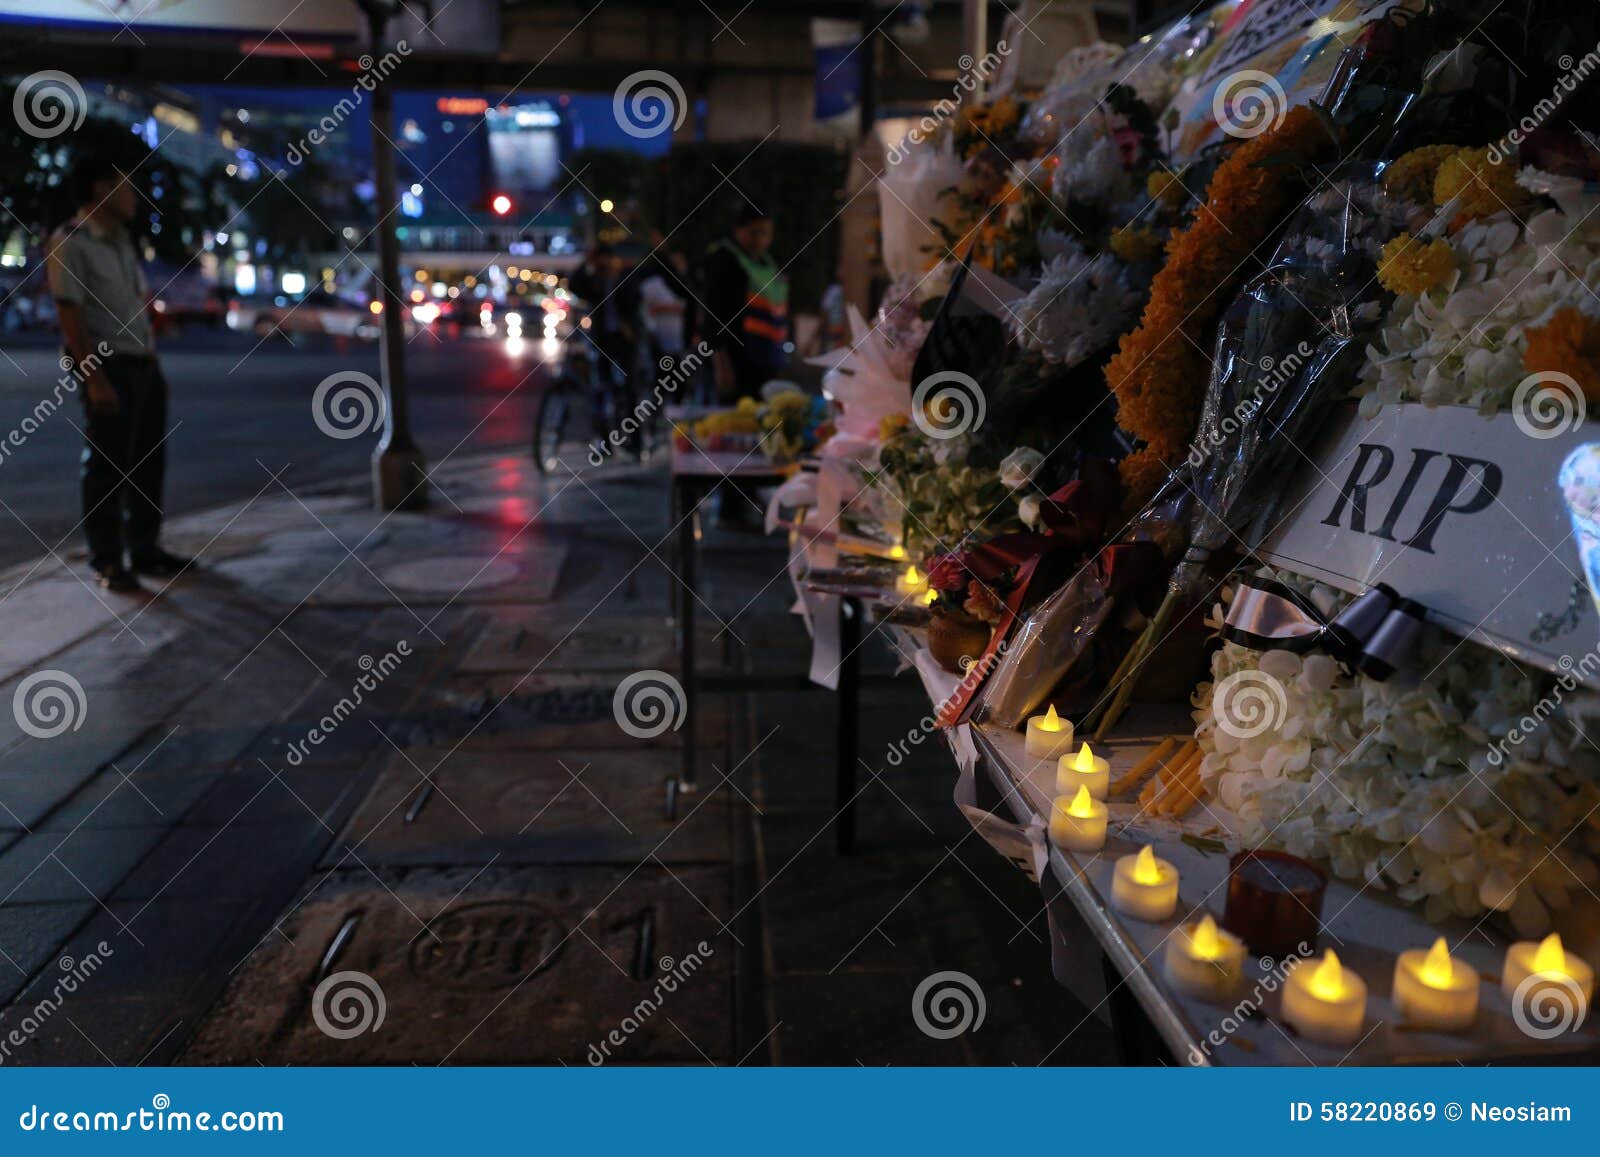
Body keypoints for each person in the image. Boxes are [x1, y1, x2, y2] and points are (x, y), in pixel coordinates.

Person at [46, 154, 190, 594]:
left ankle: (146, 548)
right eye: (126, 187)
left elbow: (137, 307)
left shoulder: (122, 241)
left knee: (148, 461)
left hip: (141, 362)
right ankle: (107, 559)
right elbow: (71, 316)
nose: (134, 197)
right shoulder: (71, 240)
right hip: (107, 365)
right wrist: (94, 378)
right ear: (100, 189)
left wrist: (154, 362)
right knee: (108, 466)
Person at [701, 200, 788, 402]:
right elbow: (714, 317)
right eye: (754, 232)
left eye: (766, 233)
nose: (761, 240)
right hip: (736, 363)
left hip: (766, 361)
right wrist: (721, 365)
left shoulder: (767, 262)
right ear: (738, 230)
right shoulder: (724, 260)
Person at [566, 243, 640, 388]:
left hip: (625, 334)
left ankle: (628, 407)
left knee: (629, 376)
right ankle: (606, 405)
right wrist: (588, 262)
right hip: (603, 335)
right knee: (604, 375)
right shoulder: (596, 281)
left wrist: (629, 326)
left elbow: (634, 300)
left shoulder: (625, 278)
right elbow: (574, 286)